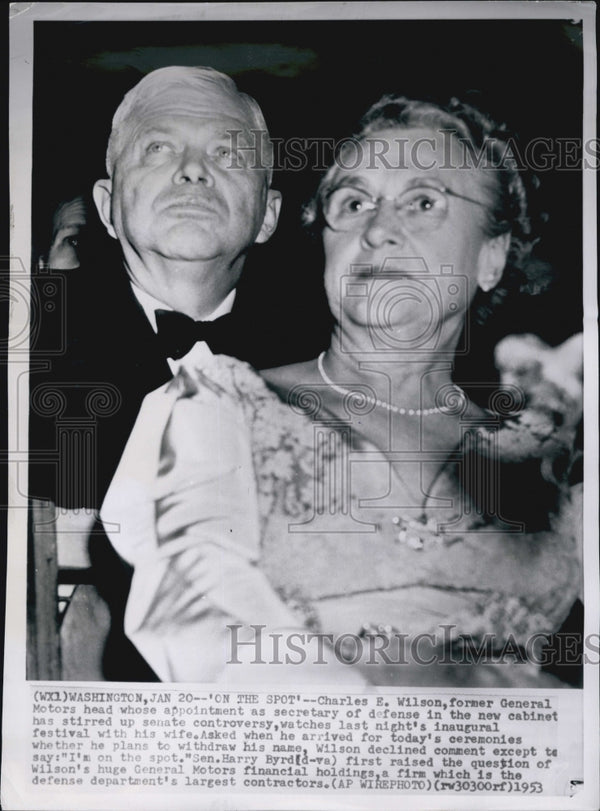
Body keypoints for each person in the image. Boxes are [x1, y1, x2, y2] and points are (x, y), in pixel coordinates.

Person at [101, 95, 582, 686]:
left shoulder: (551, 458)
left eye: (423, 202)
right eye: (353, 203)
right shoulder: (217, 405)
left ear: (491, 256)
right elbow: (197, 620)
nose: (378, 230)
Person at [28, 65, 316, 680]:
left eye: (226, 152)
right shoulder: (25, 355)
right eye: (158, 148)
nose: (192, 170)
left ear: (268, 214)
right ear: (106, 207)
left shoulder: (340, 369)